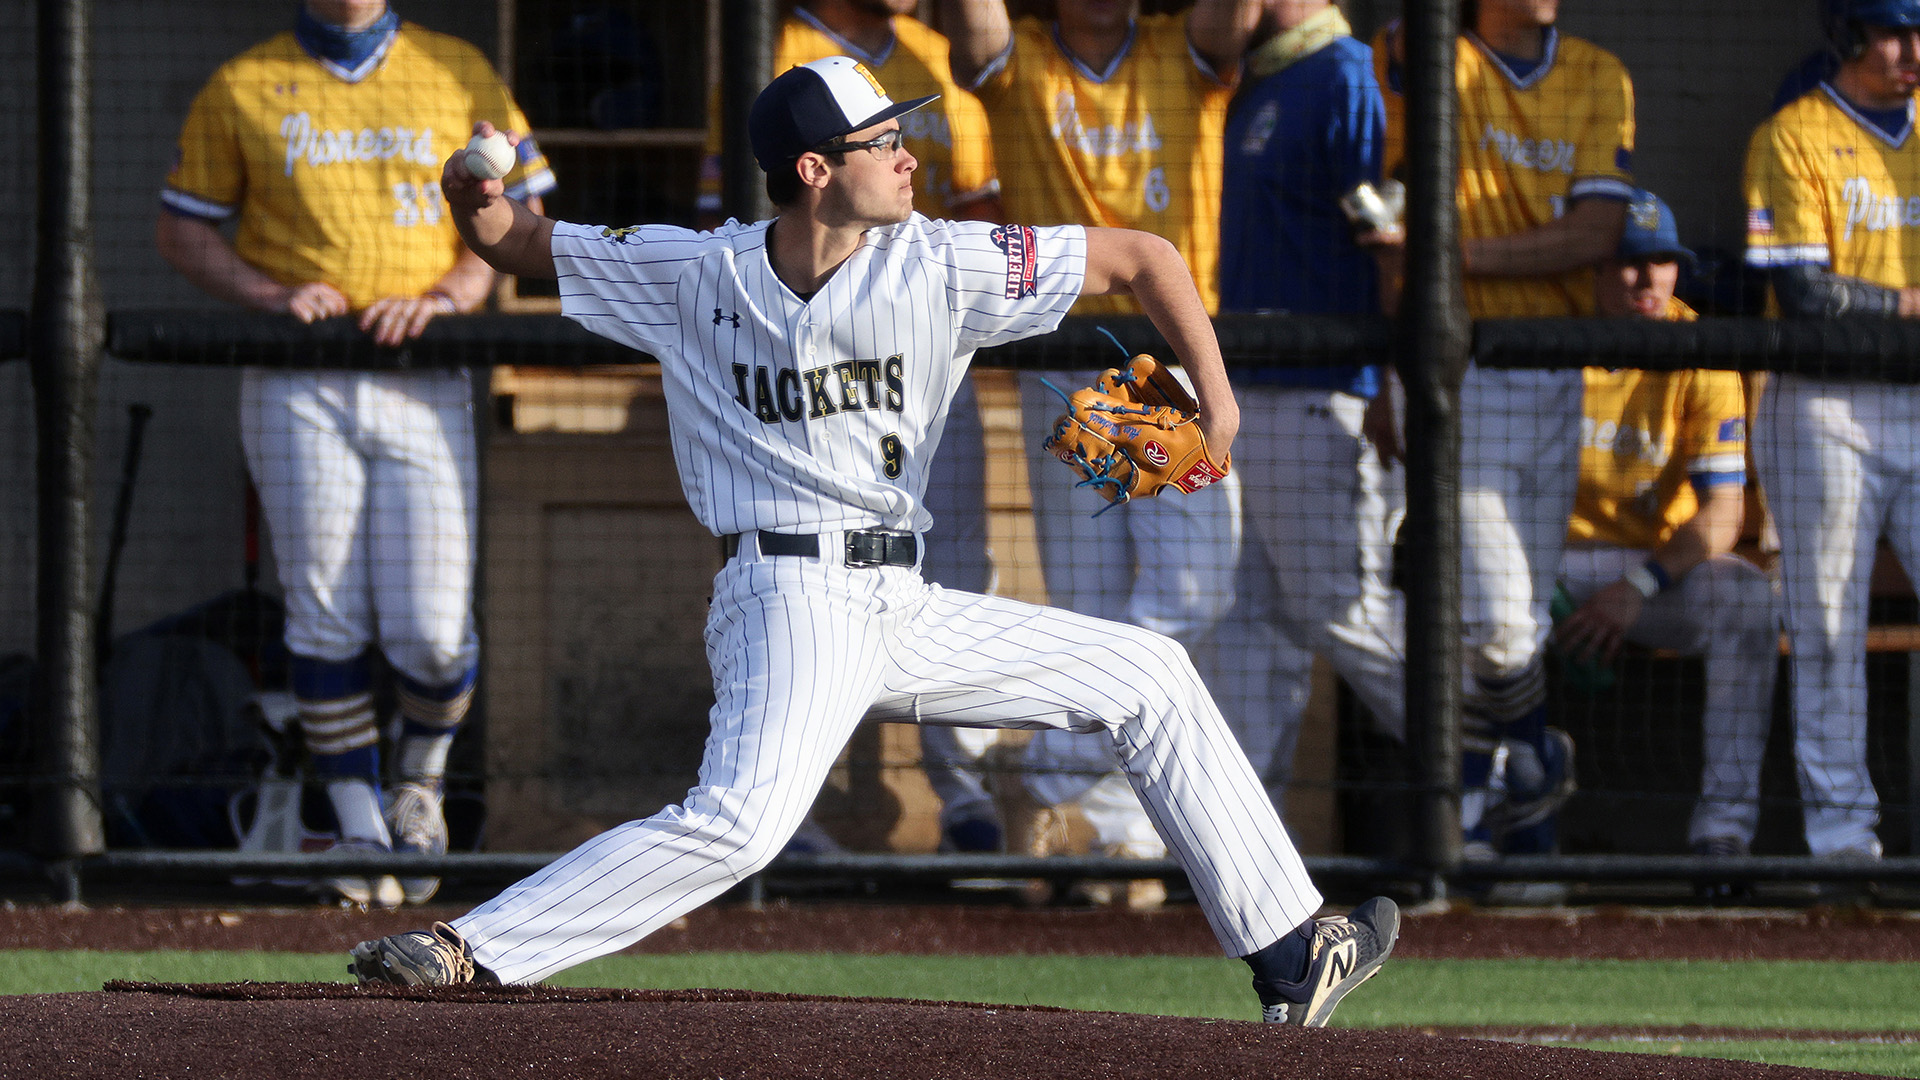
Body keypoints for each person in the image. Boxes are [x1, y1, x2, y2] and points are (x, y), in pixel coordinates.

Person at [350, 58, 1398, 1027]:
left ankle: (1292, 952)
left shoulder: (942, 262)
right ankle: (468, 947)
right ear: (815, 170)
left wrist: (1214, 406)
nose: (908, 156)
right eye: (881, 140)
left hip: (903, 601)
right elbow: (515, 242)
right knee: (741, 825)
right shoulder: (691, 272)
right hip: (787, 596)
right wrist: (472, 194)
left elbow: (1144, 257)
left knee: (1152, 675)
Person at [156, 0, 555, 908]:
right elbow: (180, 228)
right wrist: (266, 292)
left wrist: (453, 295)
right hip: (300, 375)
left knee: (429, 625)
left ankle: (419, 778)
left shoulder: (457, 70)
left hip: (427, 365)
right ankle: (357, 821)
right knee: (325, 612)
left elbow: (521, 218)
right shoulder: (244, 80)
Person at [942, 0, 1260, 907]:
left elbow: (1231, 22)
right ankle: (1114, 838)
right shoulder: (1021, 58)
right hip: (1068, 366)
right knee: (1087, 608)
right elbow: (977, 33)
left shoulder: (1182, 48)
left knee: (1196, 590)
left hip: (1170, 365)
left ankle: (1041, 780)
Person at [729, 0, 1010, 855]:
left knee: (954, 561)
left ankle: (960, 792)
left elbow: (979, 203)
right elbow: (738, 217)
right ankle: (786, 811)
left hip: (912, 353)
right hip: (787, 357)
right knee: (790, 569)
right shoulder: (774, 52)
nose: (905, 153)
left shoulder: (932, 55)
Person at [1377, 0, 1636, 857]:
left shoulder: (1600, 73)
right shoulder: (1425, 56)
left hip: (1553, 368)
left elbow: (1595, 233)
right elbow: (1389, 220)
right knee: (1495, 621)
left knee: (1509, 613)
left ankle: (1491, 826)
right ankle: (1531, 755)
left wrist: (1455, 255)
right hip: (1457, 367)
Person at [1201, 0, 1407, 812]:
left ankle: (1496, 754)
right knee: (1247, 624)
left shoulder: (1348, 76)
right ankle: (1246, 848)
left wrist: (1393, 378)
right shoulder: (1259, 77)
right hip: (1247, 393)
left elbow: (1388, 243)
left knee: (1337, 608)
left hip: (1325, 393)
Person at [1555, 190, 1777, 894]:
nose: (1646, 280)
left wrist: (1638, 588)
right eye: (1627, 263)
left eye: (1661, 263)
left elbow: (1722, 517)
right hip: (1543, 564)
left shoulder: (1701, 348)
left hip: (1650, 571)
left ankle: (1723, 841)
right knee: (1465, 610)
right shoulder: (1549, 333)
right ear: (1593, 270)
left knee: (1746, 601)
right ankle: (1492, 825)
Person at [1742, 0, 1920, 864]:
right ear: (1850, 33)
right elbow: (1806, 294)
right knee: (1827, 623)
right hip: (1822, 406)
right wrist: (1911, 305)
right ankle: (1843, 838)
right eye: (1894, 30)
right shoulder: (1794, 132)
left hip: (1917, 398)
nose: (1911, 49)